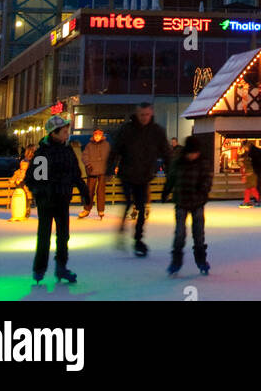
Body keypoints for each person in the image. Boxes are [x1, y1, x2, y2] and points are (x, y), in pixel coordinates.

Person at [25, 116, 91, 284]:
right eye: (64, 132)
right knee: (44, 236)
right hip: (46, 202)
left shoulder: (68, 151)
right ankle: (39, 269)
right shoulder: (43, 153)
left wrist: (85, 193)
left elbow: (76, 174)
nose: (67, 135)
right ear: (54, 133)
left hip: (62, 200)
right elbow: (32, 179)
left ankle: (61, 267)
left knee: (63, 236)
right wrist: (40, 194)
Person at [108, 101, 171, 256]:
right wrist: (109, 169)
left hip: (144, 175)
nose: (144, 118)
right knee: (128, 203)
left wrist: (171, 172)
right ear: (137, 114)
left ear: (151, 114)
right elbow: (115, 150)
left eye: (147, 115)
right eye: (141, 115)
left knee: (142, 208)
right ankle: (122, 229)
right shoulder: (127, 130)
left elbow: (166, 153)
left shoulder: (157, 131)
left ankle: (138, 239)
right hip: (127, 174)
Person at [162, 135, 211, 276]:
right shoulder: (178, 162)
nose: (193, 156)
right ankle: (176, 262)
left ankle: (201, 260)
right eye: (191, 153)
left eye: (195, 153)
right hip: (181, 201)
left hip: (197, 203)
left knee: (199, 234)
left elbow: (207, 181)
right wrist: (166, 192)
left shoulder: (203, 163)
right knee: (179, 234)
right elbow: (171, 178)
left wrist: (203, 193)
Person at [79, 129, 110, 219]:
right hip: (92, 170)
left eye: (99, 135)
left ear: (102, 136)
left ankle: (101, 210)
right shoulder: (89, 145)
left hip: (102, 170)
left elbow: (111, 156)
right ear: (93, 136)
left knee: (101, 191)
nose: (97, 137)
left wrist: (111, 167)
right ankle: (86, 209)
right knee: (89, 191)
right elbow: (84, 156)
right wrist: (88, 164)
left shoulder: (106, 145)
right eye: (96, 135)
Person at [9, 146, 35, 221]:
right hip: (24, 185)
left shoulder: (30, 162)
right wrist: (14, 179)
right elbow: (18, 173)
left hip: (29, 184)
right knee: (25, 197)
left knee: (27, 196)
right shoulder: (25, 162)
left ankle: (26, 210)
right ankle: (24, 211)